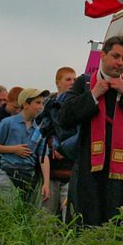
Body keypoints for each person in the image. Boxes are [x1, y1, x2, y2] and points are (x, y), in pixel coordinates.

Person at [60, 36, 123, 225]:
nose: (120, 63)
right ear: (103, 56)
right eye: (116, 56)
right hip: (89, 170)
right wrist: (94, 94)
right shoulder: (85, 83)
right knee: (87, 224)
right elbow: (64, 118)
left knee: (120, 225)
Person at [0, 88, 51, 204]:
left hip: (29, 176)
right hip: (9, 173)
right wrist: (13, 149)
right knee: (11, 213)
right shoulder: (8, 123)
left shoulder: (39, 129)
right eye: (37, 103)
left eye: (42, 103)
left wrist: (46, 183)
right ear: (26, 104)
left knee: (27, 215)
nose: (41, 107)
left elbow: (43, 156)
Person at [47, 67, 77, 216]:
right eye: (68, 79)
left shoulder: (78, 105)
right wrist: (50, 146)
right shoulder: (48, 106)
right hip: (50, 171)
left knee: (69, 216)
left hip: (70, 169)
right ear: (58, 82)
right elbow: (41, 133)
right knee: (47, 218)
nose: (72, 83)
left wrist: (64, 149)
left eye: (74, 80)